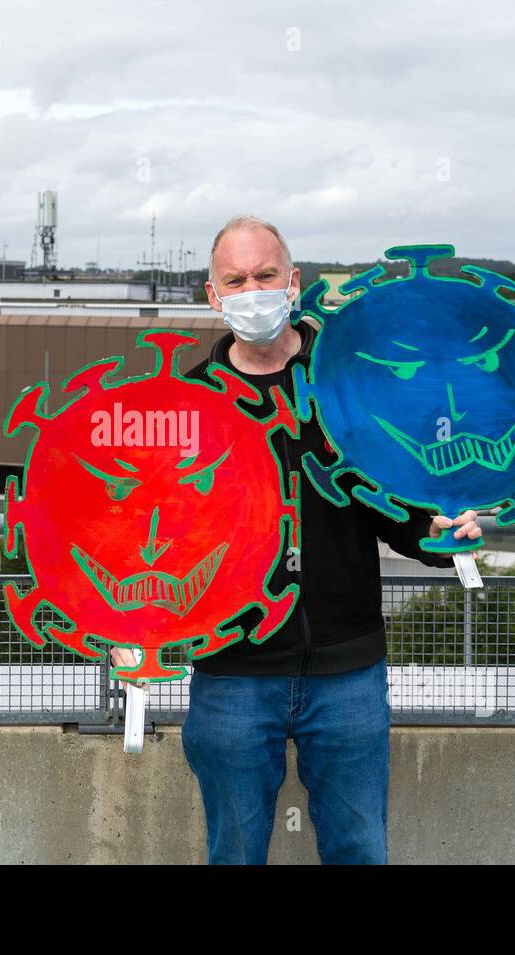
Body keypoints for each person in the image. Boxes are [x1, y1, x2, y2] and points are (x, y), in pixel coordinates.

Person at [114, 215, 482, 864]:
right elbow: (155, 530)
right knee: (234, 851)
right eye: (236, 281)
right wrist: (129, 615)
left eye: (265, 276)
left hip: (347, 669)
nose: (252, 291)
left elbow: (391, 503)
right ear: (213, 295)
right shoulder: (188, 406)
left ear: (293, 283)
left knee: (359, 847)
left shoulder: (348, 385)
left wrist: (437, 532)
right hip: (230, 669)